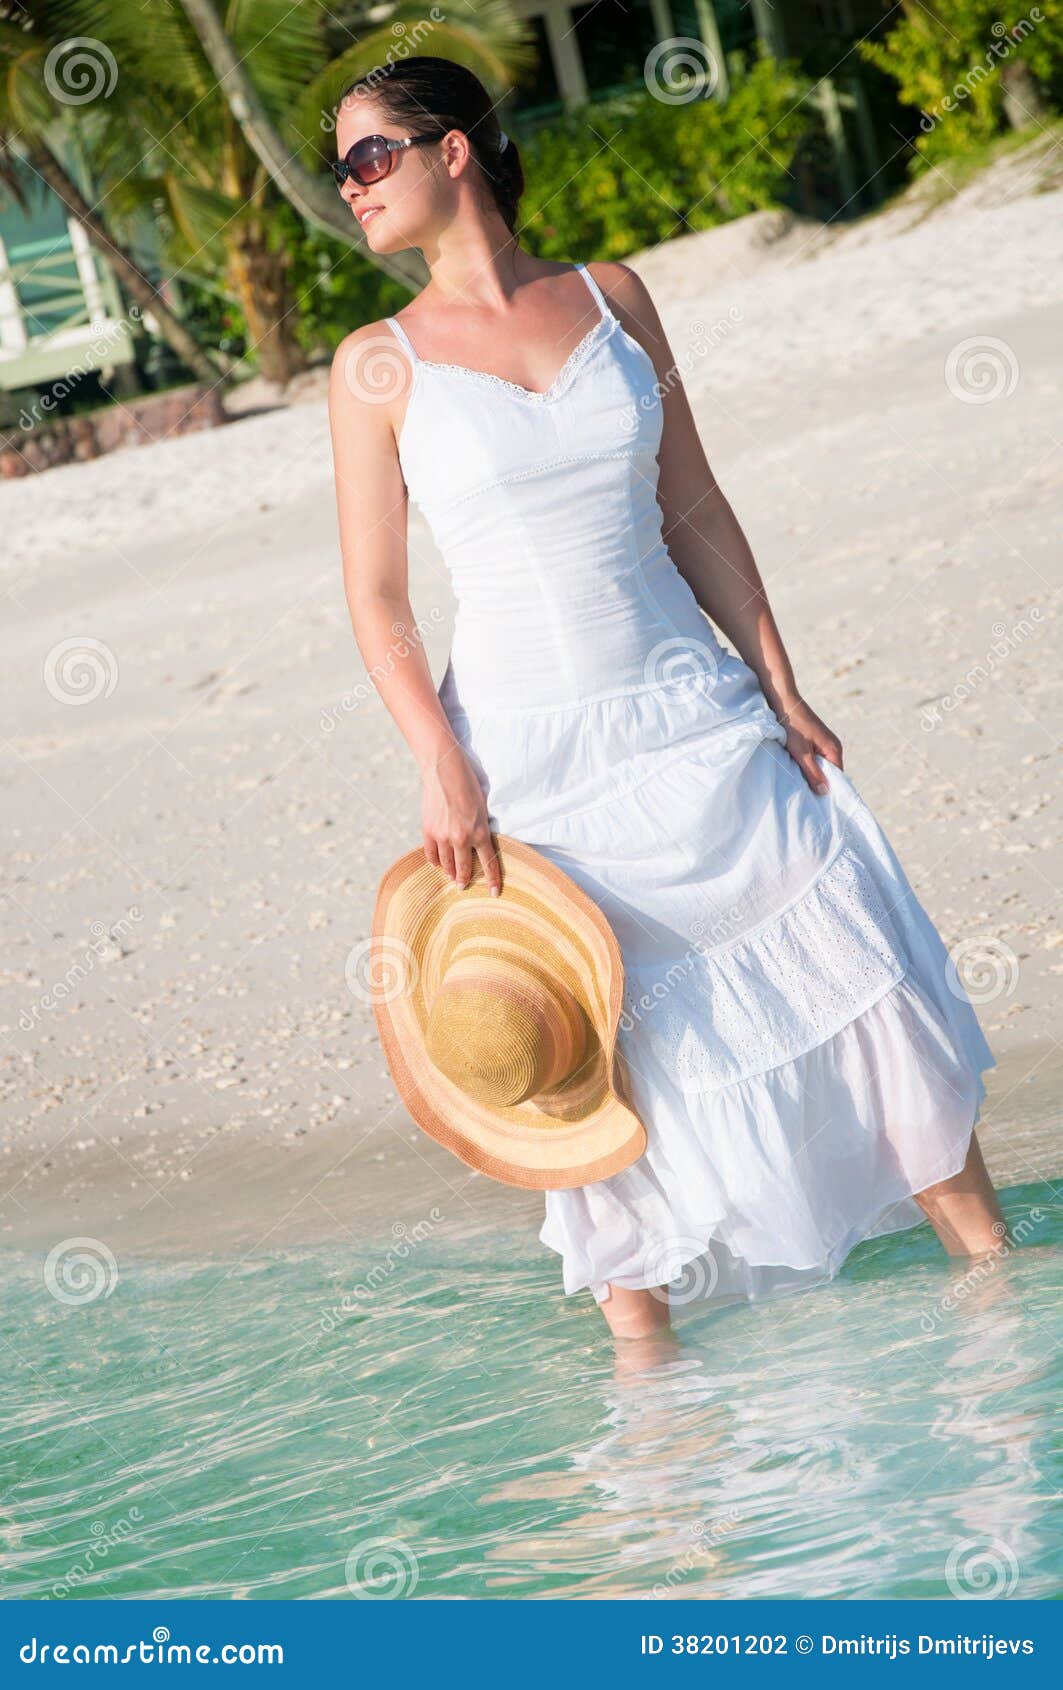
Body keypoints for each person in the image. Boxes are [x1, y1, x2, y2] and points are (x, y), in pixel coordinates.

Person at [327, 56, 1005, 1343]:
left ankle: (998, 1297)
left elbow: (689, 502)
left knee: (854, 963)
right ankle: (653, 1421)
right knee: (591, 1054)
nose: (350, 187)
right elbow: (375, 597)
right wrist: (436, 756)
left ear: (452, 151)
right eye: (343, 168)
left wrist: (776, 677)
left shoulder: (612, 296)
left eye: (369, 157)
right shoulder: (375, 365)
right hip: (529, 758)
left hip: (693, 711)